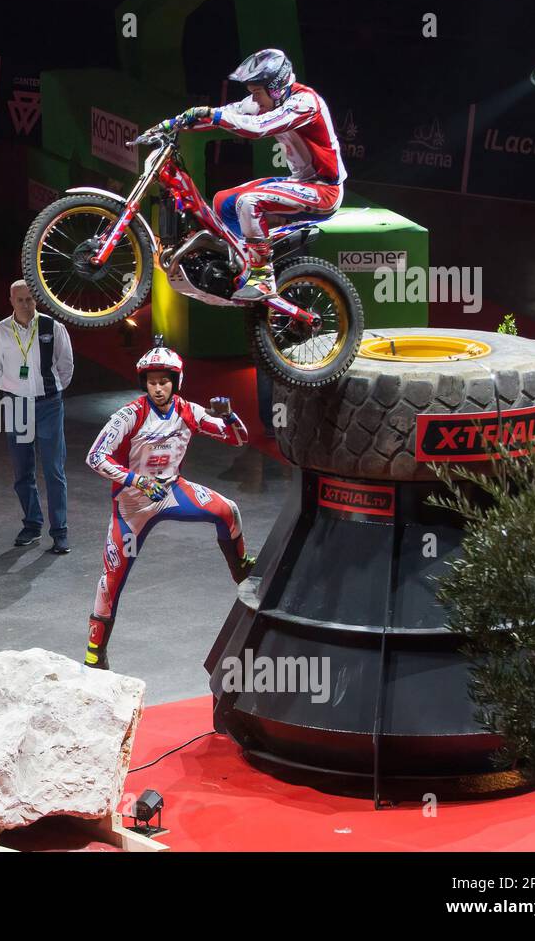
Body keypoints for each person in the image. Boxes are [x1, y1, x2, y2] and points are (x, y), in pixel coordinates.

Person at [82, 341, 254, 671]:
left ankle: (242, 568)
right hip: (132, 505)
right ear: (143, 383)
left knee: (227, 510)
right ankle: (95, 651)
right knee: (112, 578)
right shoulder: (129, 415)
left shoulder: (188, 410)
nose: (158, 388)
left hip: (173, 491)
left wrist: (230, 416)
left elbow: (238, 439)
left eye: (164, 381)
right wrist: (137, 480)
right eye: (152, 382)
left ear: (175, 382)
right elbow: (94, 456)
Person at [149, 48, 346, 301]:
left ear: (275, 87)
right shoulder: (269, 100)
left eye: (257, 92)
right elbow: (230, 113)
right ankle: (239, 263)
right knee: (224, 201)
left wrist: (214, 115)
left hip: (324, 189)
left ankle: (263, 277)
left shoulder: (305, 103)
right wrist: (171, 124)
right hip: (299, 182)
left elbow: (257, 128)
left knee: (248, 202)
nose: (254, 99)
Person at [0, 279, 74, 553]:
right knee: (22, 470)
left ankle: (60, 531)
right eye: (20, 300)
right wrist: (17, 389)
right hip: (17, 405)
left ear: (36, 299)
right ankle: (32, 525)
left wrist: (50, 391)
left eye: (30, 299)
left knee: (53, 471)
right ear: (11, 301)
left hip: (49, 405)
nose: (26, 304)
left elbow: (65, 365)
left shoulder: (52, 327)